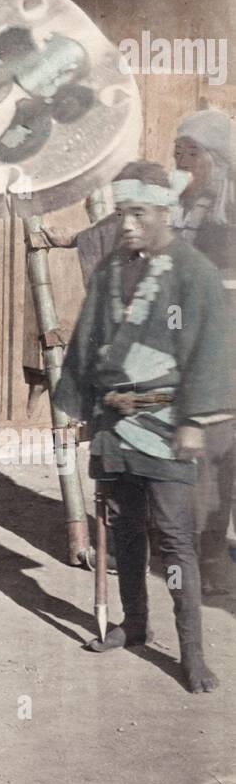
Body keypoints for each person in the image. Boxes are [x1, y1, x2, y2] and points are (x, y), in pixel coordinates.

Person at [54, 160, 233, 694]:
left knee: (176, 542)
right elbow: (86, 339)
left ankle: (192, 653)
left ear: (164, 213)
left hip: (165, 424)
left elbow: (210, 349)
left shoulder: (192, 271)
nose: (127, 224)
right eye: (122, 214)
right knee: (124, 531)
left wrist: (195, 420)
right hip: (112, 423)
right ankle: (134, 625)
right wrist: (73, 404)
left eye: (138, 214)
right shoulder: (111, 270)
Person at [172, 110, 235, 595]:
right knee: (187, 444)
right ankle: (181, 546)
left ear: (215, 158)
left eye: (191, 152)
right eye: (178, 151)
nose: (181, 160)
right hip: (184, 338)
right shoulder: (178, 206)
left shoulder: (228, 212)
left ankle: (212, 552)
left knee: (219, 449)